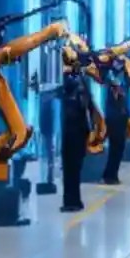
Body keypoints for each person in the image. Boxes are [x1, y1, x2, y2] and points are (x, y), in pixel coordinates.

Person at [59, 72, 92, 212]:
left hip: (70, 140)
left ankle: (70, 202)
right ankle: (76, 200)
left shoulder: (68, 105)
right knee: (75, 172)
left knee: (69, 172)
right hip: (79, 139)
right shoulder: (82, 102)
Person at [101, 60, 128, 185]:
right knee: (115, 147)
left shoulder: (120, 76)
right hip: (114, 118)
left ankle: (111, 174)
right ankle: (110, 175)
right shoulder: (112, 77)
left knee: (118, 148)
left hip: (119, 117)